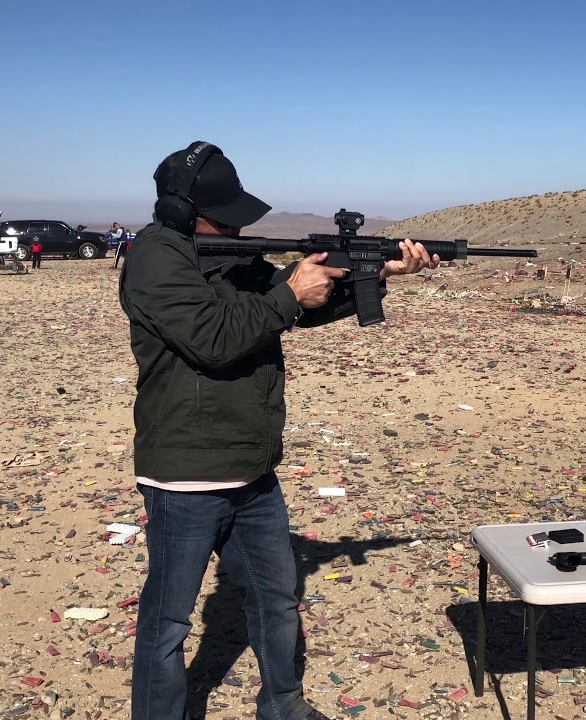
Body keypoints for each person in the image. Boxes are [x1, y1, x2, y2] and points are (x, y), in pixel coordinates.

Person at [118, 141, 438, 720]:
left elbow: (298, 304)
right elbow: (213, 338)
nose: (238, 230)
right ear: (182, 211)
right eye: (225, 217)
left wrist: (374, 273)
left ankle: (283, 707)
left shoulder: (231, 256)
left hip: (252, 465)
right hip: (186, 470)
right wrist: (289, 295)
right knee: (168, 621)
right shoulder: (155, 258)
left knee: (278, 599)